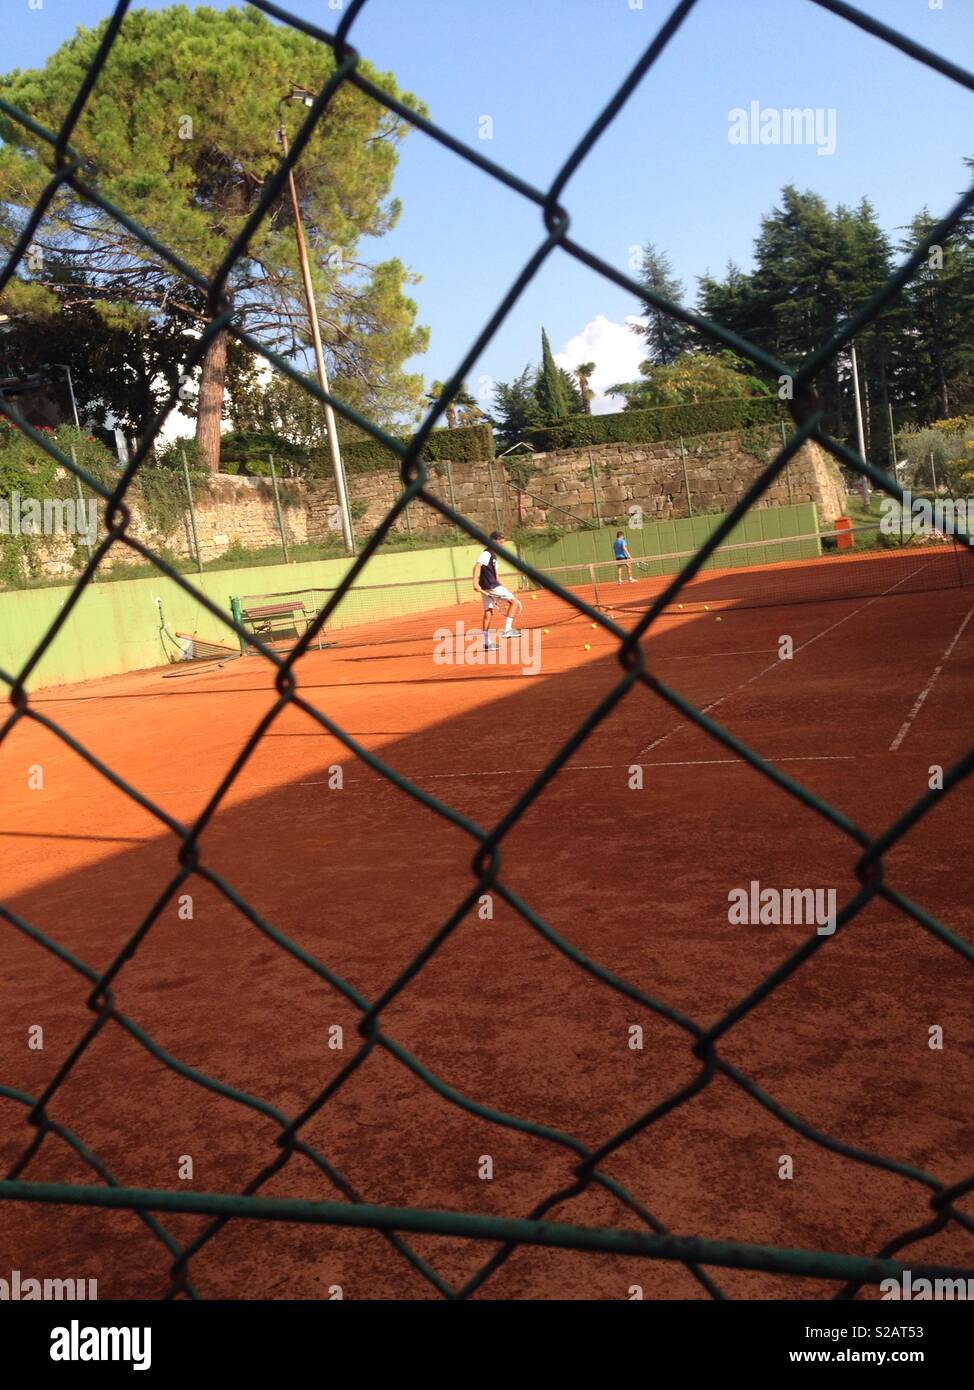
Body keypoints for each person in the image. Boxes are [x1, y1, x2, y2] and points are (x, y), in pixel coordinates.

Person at [473, 531, 523, 649]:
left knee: (488, 613)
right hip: (491, 585)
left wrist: (504, 587)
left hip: (489, 585)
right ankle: (507, 630)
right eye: (501, 539)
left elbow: (496, 575)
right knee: (514, 602)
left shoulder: (494, 555)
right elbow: (477, 566)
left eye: (503, 539)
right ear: (494, 540)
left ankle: (487, 643)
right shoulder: (487, 553)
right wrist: (475, 583)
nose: (503, 542)